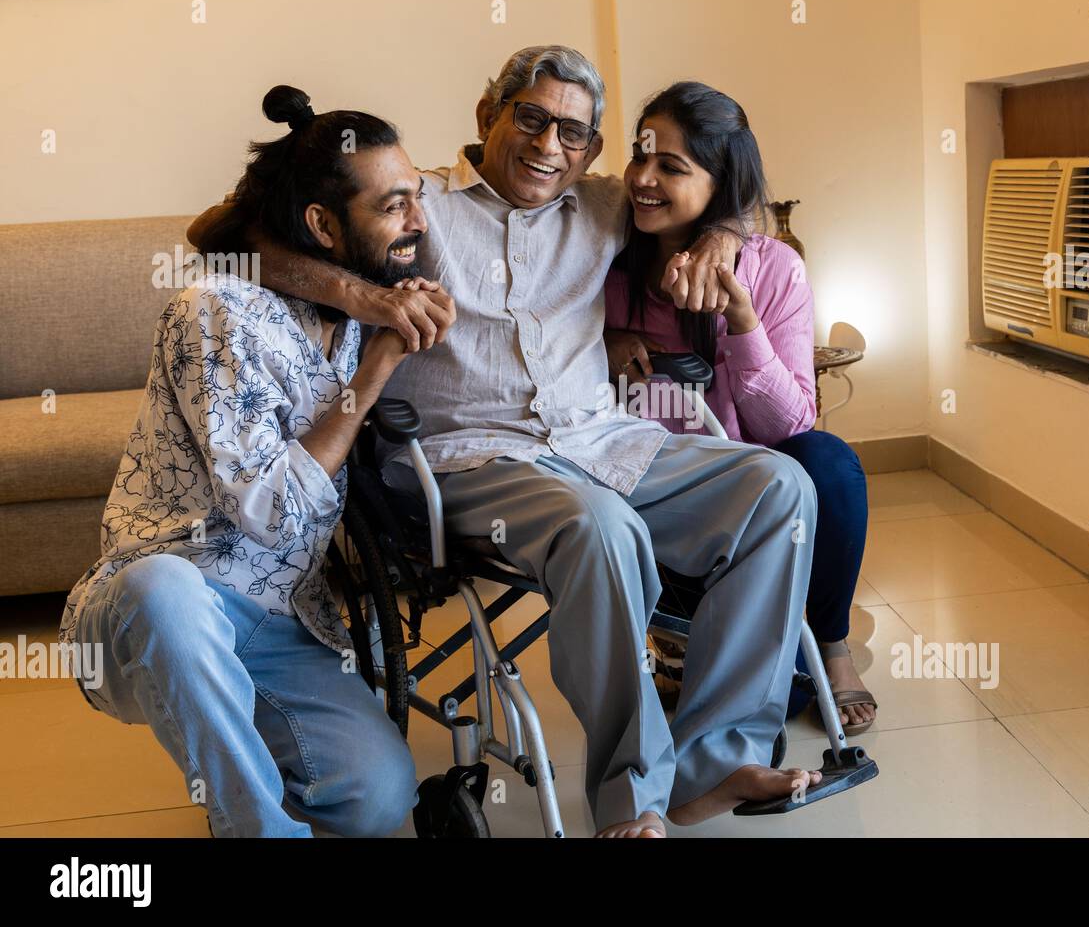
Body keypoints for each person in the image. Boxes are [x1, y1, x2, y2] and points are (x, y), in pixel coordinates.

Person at [188, 47, 827, 838]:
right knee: (601, 526)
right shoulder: (414, 206)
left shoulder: (604, 205)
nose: (548, 146)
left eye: (574, 133)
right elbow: (220, 237)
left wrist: (724, 235)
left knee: (781, 489)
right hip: (469, 460)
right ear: (488, 116)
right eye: (531, 118)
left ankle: (717, 760)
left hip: (604, 441)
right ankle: (635, 802)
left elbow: (711, 184)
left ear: (593, 151)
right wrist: (365, 298)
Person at [60, 86, 455, 837]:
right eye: (395, 204)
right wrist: (373, 376)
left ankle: (240, 757)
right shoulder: (215, 308)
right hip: (154, 604)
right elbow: (269, 512)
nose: (419, 222)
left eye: (419, 198)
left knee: (374, 800)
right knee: (166, 591)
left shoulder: (360, 308)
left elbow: (248, 235)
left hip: (283, 619)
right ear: (322, 225)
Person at [604, 81, 877, 734]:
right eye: (640, 156)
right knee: (772, 705)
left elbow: (789, 425)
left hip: (755, 490)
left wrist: (745, 326)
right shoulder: (606, 261)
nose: (643, 179)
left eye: (671, 167)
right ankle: (688, 636)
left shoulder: (774, 268)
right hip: (659, 496)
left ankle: (830, 643)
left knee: (829, 462)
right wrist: (606, 342)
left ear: (720, 184)